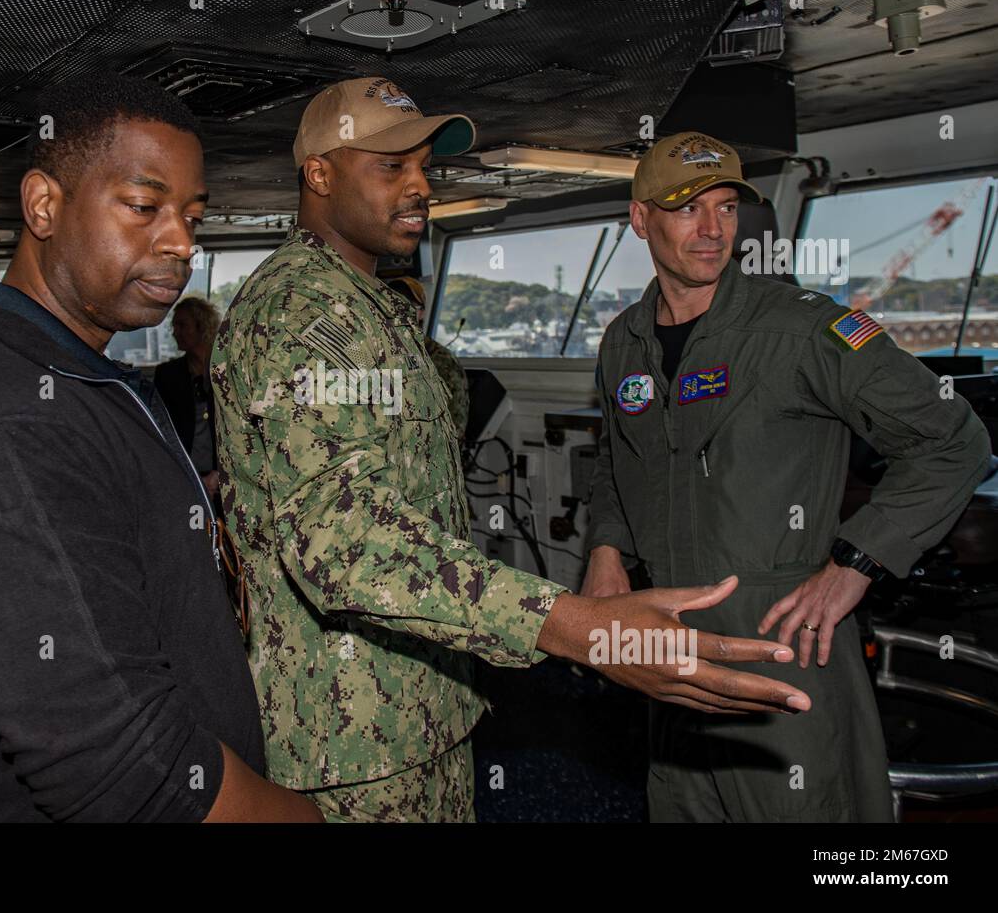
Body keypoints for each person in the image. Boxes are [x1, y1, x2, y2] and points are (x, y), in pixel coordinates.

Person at [211, 77, 811, 822]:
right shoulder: (300, 310)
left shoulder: (369, 308)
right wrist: (571, 625)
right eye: (391, 167)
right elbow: (345, 543)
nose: (420, 187)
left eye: (425, 167)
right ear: (321, 174)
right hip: (350, 741)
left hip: (418, 712)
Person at [0, 74, 321, 822]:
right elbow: (121, 768)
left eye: (191, 214)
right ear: (44, 206)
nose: (181, 240)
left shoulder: (75, 375)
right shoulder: (3, 426)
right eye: (145, 207)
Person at [583, 131, 992, 822]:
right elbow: (618, 462)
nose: (714, 229)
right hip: (673, 638)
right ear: (641, 219)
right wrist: (604, 552)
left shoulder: (804, 329)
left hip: (781, 636)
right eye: (688, 209)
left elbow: (952, 437)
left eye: (726, 207)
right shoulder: (624, 341)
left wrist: (854, 562)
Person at [382, 274, 469, 438]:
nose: (397, 311)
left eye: (408, 305)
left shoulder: (441, 361)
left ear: (421, 313)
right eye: (391, 303)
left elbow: (455, 428)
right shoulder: (380, 354)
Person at [154, 295, 222, 497]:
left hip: (224, 473)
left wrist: (220, 472)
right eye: (174, 326)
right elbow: (163, 429)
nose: (176, 333)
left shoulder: (225, 371)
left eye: (182, 325)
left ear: (202, 326)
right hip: (184, 474)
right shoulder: (168, 374)